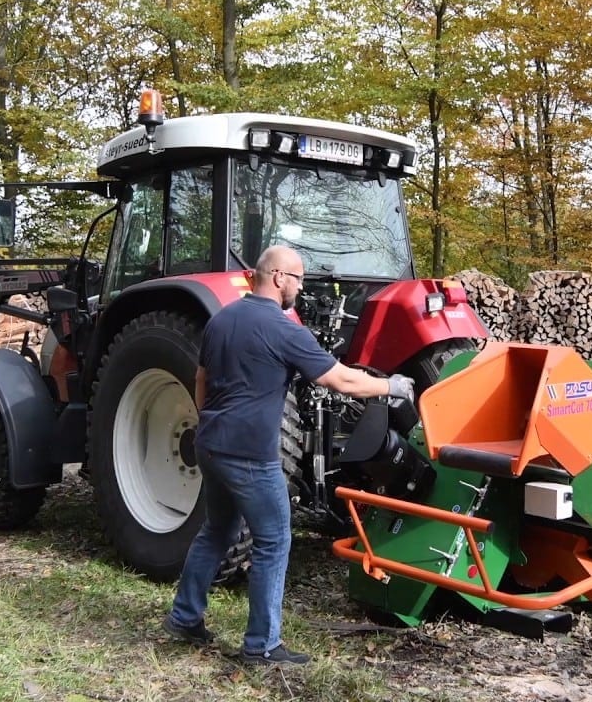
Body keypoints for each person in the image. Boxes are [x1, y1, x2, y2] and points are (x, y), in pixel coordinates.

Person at [162, 244, 415, 665]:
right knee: (274, 540)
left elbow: (201, 376)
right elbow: (343, 382)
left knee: (217, 531)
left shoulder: (222, 318)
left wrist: (208, 418)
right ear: (278, 277)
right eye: (297, 278)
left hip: (210, 445)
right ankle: (261, 645)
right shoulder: (283, 329)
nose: (300, 287)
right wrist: (393, 387)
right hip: (249, 456)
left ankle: (185, 617)